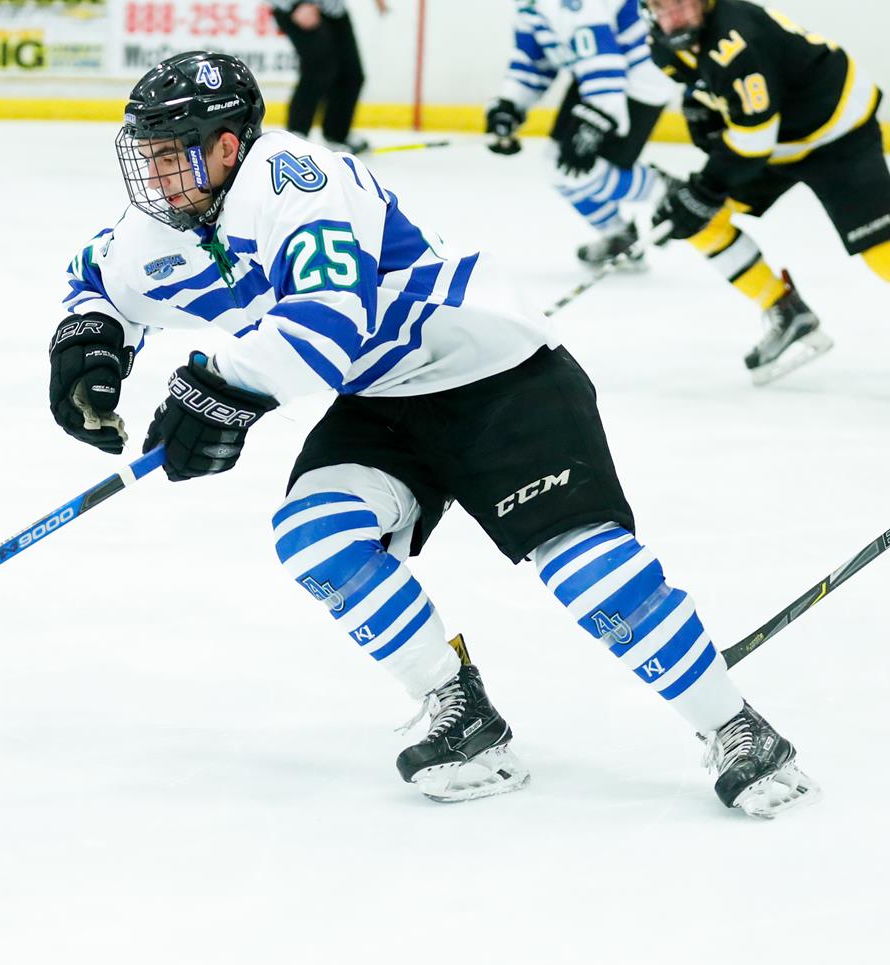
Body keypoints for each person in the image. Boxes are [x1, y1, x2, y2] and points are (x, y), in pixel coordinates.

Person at [48, 49, 815, 816]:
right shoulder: (168, 221)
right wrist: (90, 349)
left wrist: (219, 386)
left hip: (496, 369)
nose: (153, 176)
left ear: (225, 143)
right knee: (315, 533)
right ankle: (461, 710)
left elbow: (327, 322)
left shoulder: (292, 180)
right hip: (386, 398)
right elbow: (98, 279)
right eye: (143, 154)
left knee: (582, 567)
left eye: (167, 154)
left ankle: (738, 727)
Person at [644, 0, 890, 385]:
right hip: (780, 140)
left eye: (683, 4)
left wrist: (705, 188)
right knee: (703, 224)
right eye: (663, 8)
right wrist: (700, 101)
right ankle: (786, 311)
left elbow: (753, 139)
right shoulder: (664, 43)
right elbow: (704, 85)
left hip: (837, 131)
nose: (675, 16)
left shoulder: (734, 40)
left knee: (882, 252)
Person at [485, 0, 678, 267]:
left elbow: (602, 55)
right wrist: (511, 104)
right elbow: (534, 58)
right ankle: (619, 236)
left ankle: (665, 191)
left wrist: (599, 117)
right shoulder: (531, 5)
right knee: (556, 165)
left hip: (639, 77)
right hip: (594, 77)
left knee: (576, 170)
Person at [270, 1, 387, 154]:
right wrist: (303, 4)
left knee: (351, 74)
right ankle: (296, 135)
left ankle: (336, 135)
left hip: (333, 9)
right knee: (318, 69)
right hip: (297, 6)